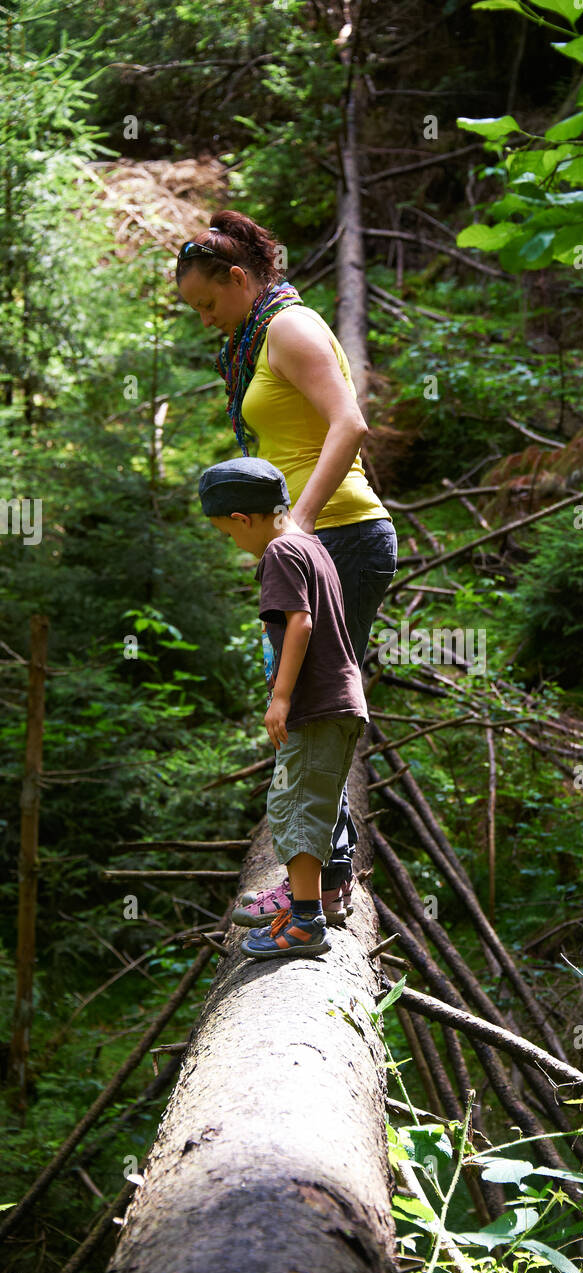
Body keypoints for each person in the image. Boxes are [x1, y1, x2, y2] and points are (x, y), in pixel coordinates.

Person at [176, 209, 397, 926]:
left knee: (309, 709)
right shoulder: (256, 336)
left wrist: (295, 522)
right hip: (316, 539)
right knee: (304, 708)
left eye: (209, 303)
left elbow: (350, 423)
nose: (207, 320)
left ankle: (319, 889)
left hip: (339, 535)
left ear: (240, 279)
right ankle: (324, 878)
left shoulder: (290, 329)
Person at [198, 457, 368, 960]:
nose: (234, 543)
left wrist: (281, 698)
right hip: (337, 703)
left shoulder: (280, 553)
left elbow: (300, 624)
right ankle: (301, 901)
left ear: (241, 520)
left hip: (315, 707)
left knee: (294, 807)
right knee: (309, 803)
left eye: (227, 534)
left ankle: (304, 924)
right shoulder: (310, 544)